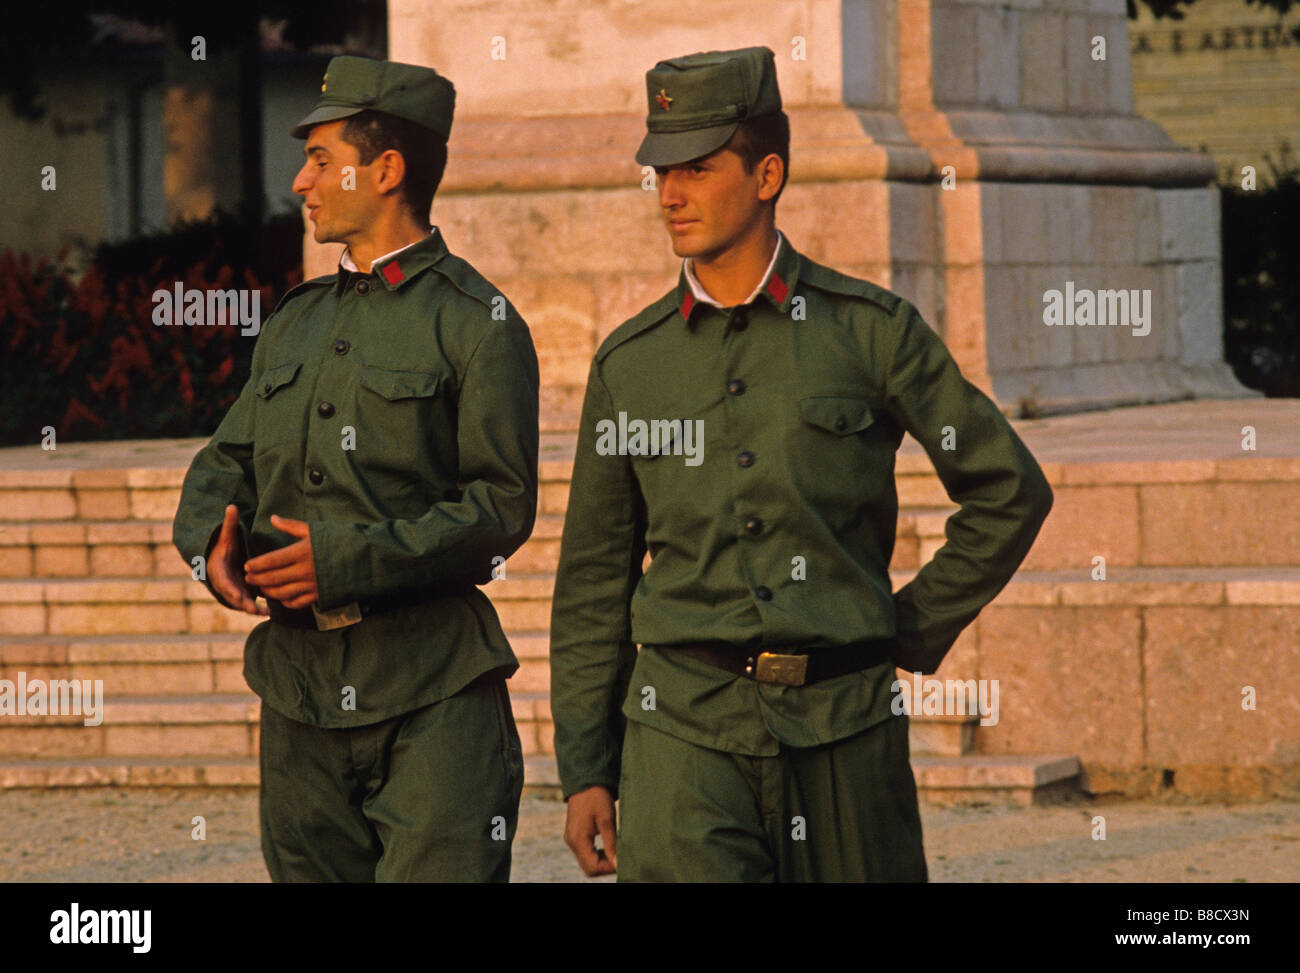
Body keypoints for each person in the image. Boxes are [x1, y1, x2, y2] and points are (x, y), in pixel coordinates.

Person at [550, 46, 1054, 882]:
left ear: (768, 173)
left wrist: (910, 626)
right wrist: (587, 768)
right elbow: (595, 582)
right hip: (683, 739)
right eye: (662, 171)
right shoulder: (628, 365)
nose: (669, 193)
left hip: (847, 739)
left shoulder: (872, 332)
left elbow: (1009, 490)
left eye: (698, 168)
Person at [171, 56, 539, 882]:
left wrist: (347, 558)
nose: (300, 181)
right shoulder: (294, 324)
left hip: (434, 693)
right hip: (297, 699)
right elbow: (225, 462)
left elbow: (500, 506)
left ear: (386, 170)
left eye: (320, 159)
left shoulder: (478, 325)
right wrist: (210, 542)